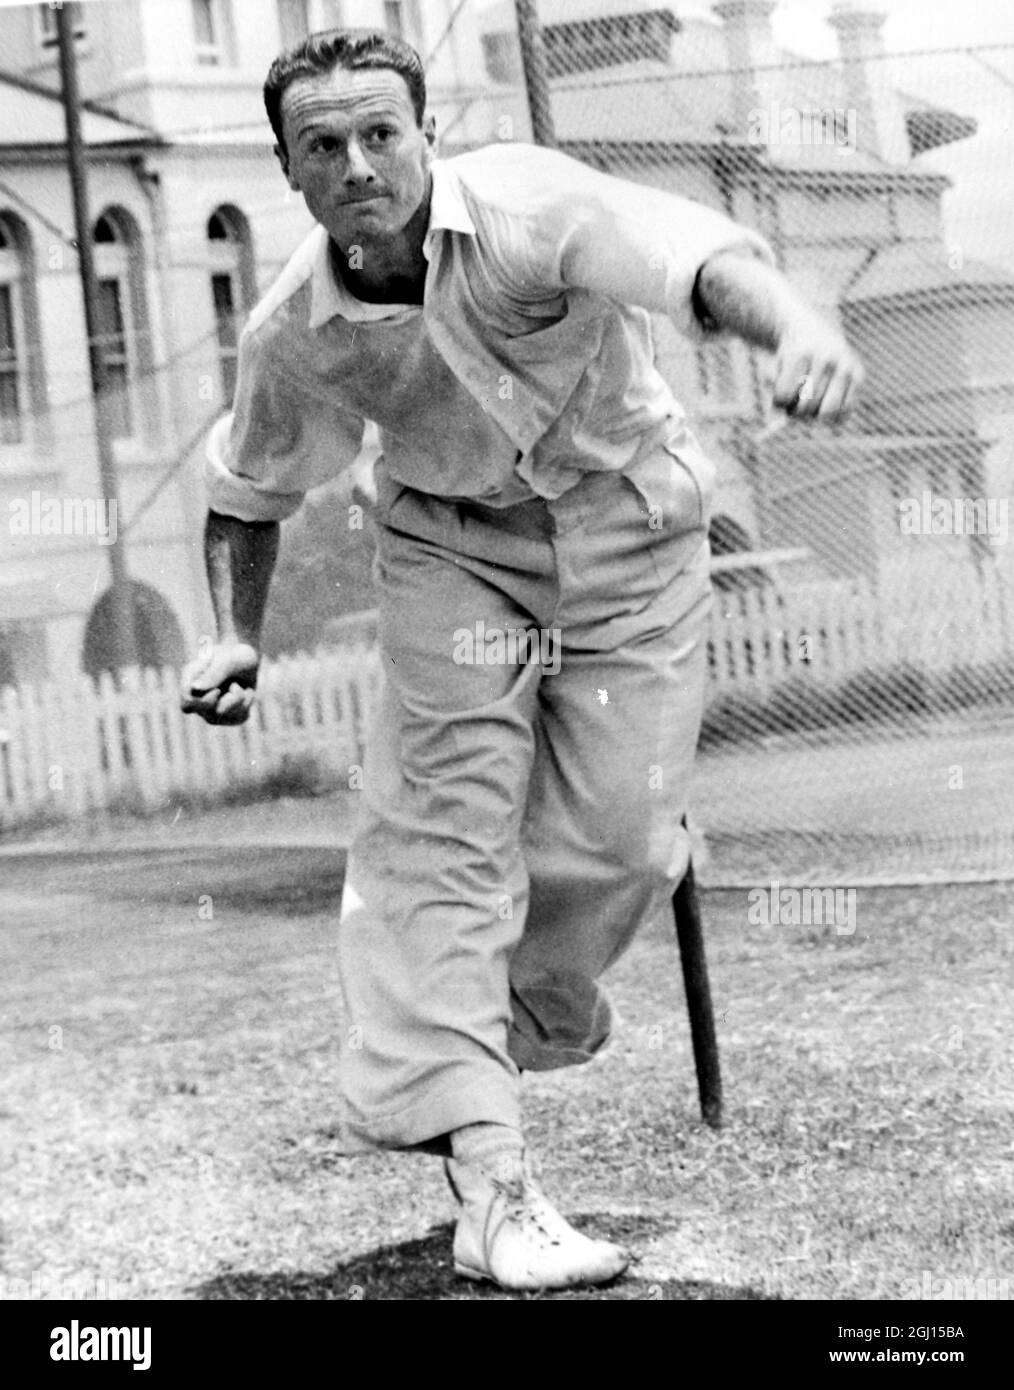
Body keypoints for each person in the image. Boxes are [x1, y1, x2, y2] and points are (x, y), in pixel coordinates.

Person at [181, 27, 864, 1291]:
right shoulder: (294, 330)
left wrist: (796, 325)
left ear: (426, 133)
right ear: (287, 171)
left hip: (632, 536)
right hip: (453, 554)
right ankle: (491, 1180)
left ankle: (525, 1007)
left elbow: (693, 262)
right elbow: (247, 487)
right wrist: (232, 627)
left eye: (381, 133)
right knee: (437, 840)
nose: (358, 165)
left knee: (614, 841)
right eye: (321, 147)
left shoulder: (529, 203)